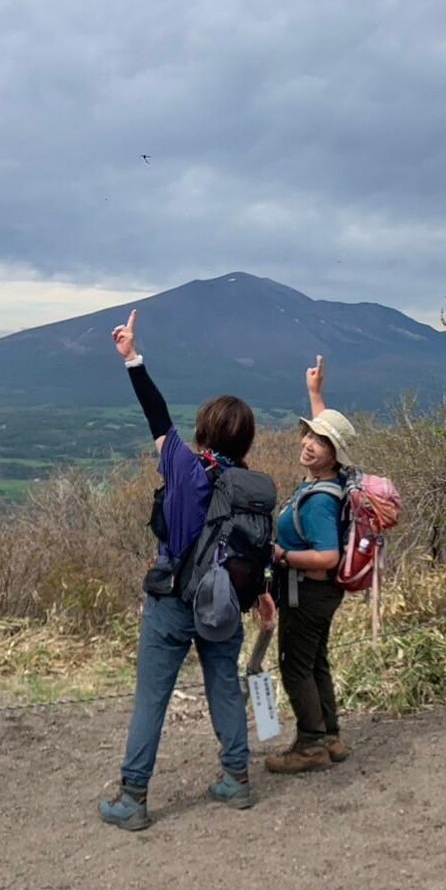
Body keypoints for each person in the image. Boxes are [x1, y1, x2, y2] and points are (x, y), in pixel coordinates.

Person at [99, 309, 257, 830]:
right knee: (224, 685)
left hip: (171, 602)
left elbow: (156, 415)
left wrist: (132, 359)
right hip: (224, 603)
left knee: (152, 697)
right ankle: (237, 779)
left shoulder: (185, 467)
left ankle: (133, 797)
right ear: (245, 442)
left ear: (204, 430)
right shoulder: (249, 487)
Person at [265, 355, 357, 774]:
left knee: (295, 666)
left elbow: (328, 556)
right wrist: (315, 393)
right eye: (308, 435)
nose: (308, 442)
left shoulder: (321, 500)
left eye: (318, 442)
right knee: (315, 661)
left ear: (332, 455)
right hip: (320, 594)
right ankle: (330, 736)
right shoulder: (332, 480)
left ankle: (310, 746)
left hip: (308, 591)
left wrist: (282, 555)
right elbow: (326, 431)